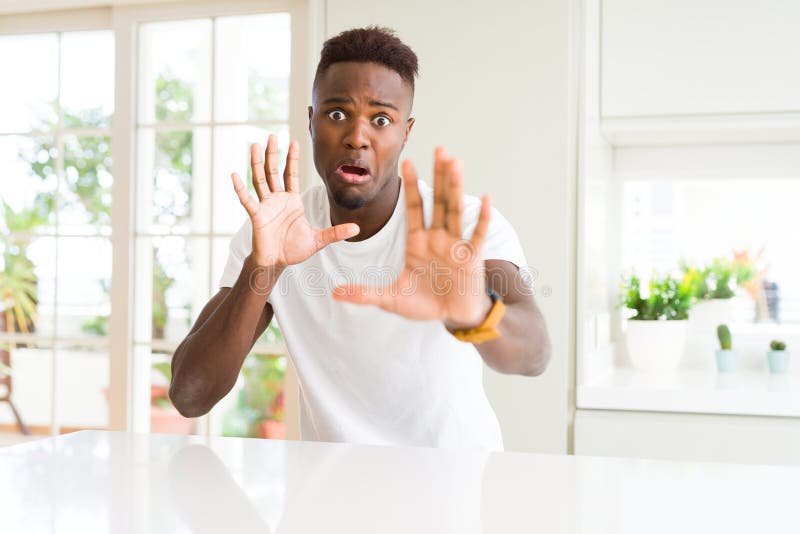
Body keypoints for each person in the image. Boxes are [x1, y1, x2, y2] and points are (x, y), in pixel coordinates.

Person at [169, 26, 551, 451]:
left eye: (381, 119)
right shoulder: (274, 232)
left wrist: (474, 310)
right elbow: (190, 395)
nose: (356, 136)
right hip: (330, 492)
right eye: (337, 114)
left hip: (453, 490)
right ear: (310, 122)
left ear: (405, 133)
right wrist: (262, 270)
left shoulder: (461, 223)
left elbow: (534, 355)